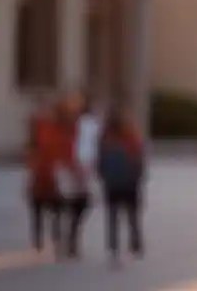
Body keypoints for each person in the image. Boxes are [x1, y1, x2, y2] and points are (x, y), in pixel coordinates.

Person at [96, 111, 145, 266]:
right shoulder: (131, 137)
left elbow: (100, 163)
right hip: (130, 183)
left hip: (112, 184)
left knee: (112, 217)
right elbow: (139, 159)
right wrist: (137, 176)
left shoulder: (105, 139)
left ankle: (113, 247)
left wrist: (104, 177)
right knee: (133, 216)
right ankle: (136, 245)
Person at [55, 94, 91, 259]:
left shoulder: (81, 127)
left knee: (79, 206)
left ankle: (70, 241)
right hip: (64, 173)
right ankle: (67, 242)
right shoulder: (60, 130)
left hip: (76, 173)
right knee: (67, 207)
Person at [25, 98, 64, 254]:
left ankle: (50, 238)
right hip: (43, 178)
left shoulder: (51, 129)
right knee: (41, 210)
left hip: (49, 178)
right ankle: (43, 239)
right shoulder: (44, 130)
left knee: (49, 211)